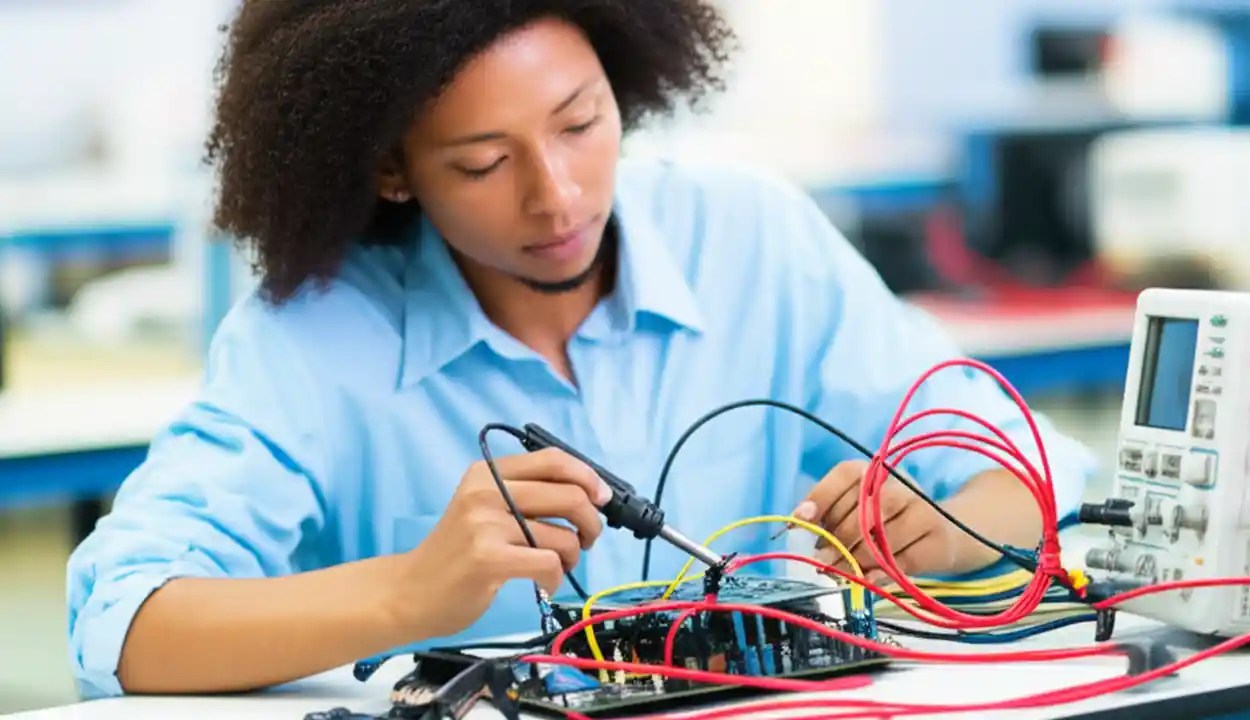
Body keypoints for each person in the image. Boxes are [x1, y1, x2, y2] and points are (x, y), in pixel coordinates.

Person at [66, 0, 1095, 700]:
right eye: (480, 162)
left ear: (628, 82)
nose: (555, 197)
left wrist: (949, 531)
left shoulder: (752, 239)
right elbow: (124, 625)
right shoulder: (315, 332)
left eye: (579, 123)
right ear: (390, 171)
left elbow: (1048, 477)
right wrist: (409, 595)